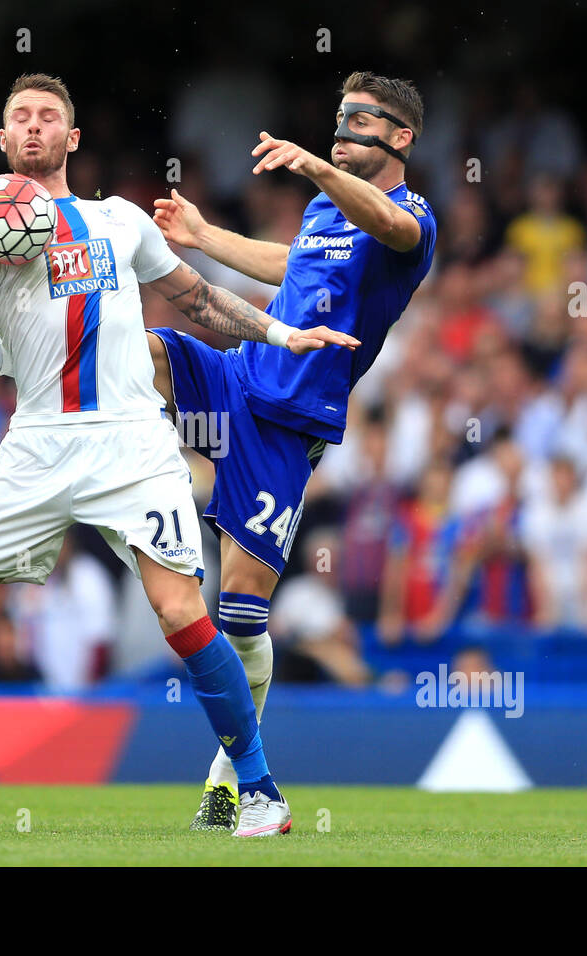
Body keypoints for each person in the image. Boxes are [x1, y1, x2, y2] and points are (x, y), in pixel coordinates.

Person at [0, 74, 355, 837]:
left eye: (49, 118)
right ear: (3, 140)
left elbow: (199, 300)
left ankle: (261, 790)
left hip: (131, 440)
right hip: (38, 445)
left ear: (71, 139)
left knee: (180, 610)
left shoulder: (119, 221)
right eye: (20, 119)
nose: (34, 128)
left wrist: (282, 333)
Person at [145, 71, 436, 825]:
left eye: (363, 118)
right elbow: (294, 267)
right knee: (138, 351)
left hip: (293, 420)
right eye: (340, 116)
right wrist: (204, 239)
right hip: (242, 375)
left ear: (401, 137)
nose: (344, 127)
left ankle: (225, 775)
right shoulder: (322, 208)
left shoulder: (410, 218)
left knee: (240, 616)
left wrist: (315, 165)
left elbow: (389, 228)